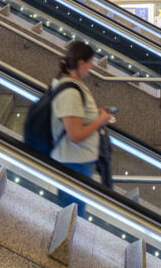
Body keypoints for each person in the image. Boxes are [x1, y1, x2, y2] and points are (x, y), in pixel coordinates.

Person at [49, 40, 116, 216]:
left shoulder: (70, 82)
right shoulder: (70, 91)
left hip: (76, 159)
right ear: (80, 63)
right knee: (73, 213)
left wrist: (96, 114)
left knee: (73, 210)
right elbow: (76, 135)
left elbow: (75, 116)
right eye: (90, 62)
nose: (92, 66)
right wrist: (100, 121)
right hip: (74, 161)